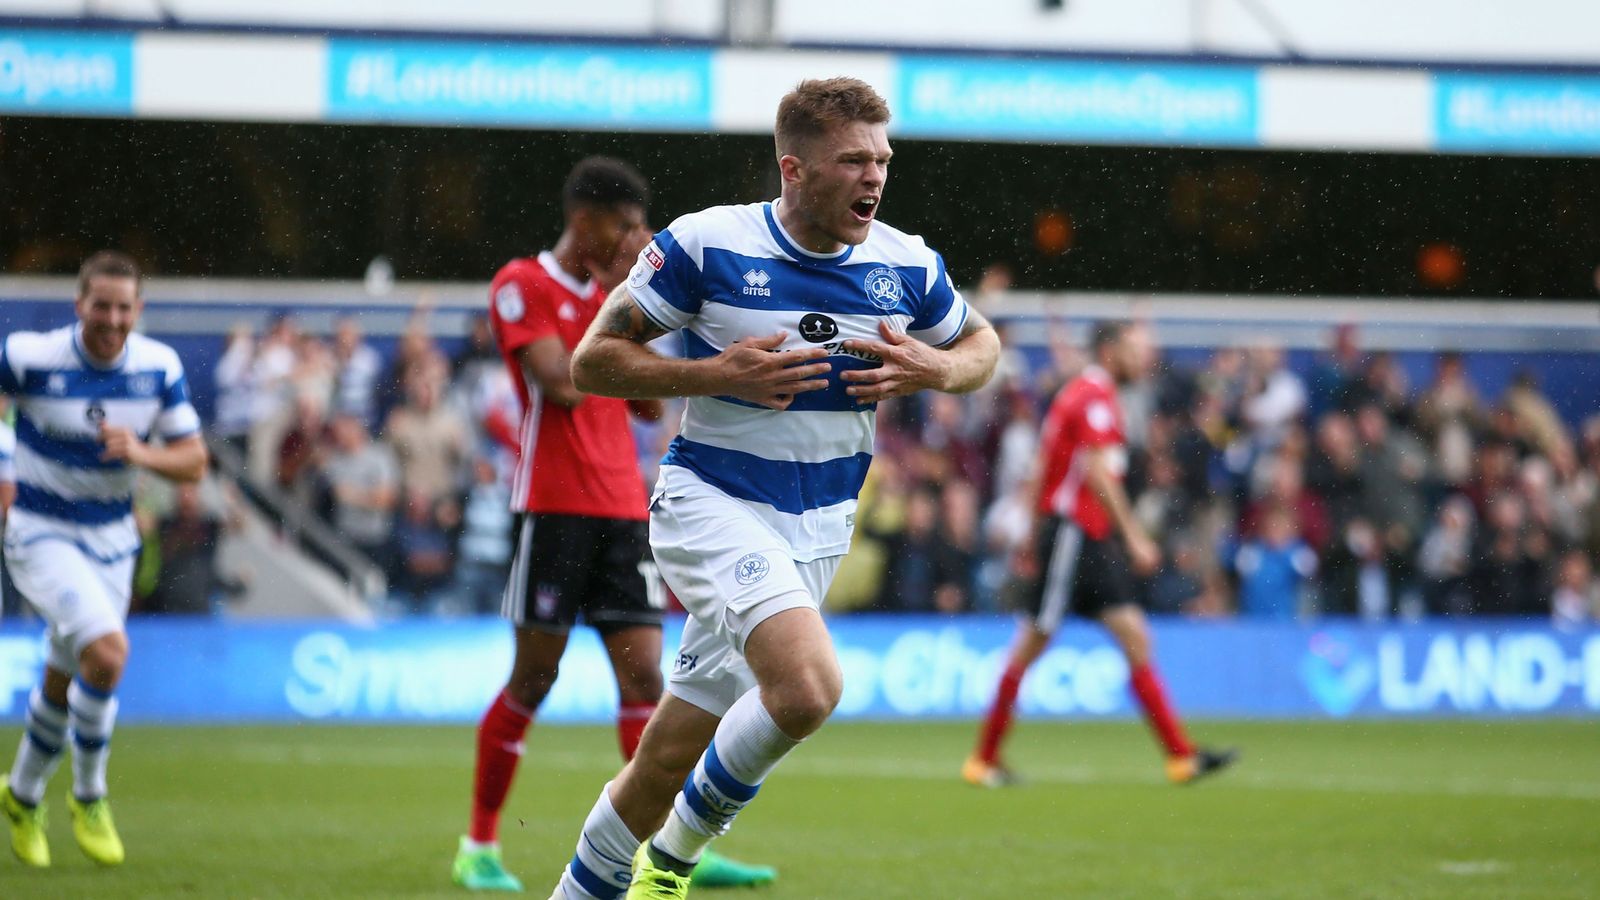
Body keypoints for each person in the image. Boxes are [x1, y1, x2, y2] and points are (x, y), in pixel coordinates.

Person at [545, 77, 1000, 900]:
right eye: (853, 160)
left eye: (883, 160)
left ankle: (586, 888)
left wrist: (936, 368)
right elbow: (591, 361)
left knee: (666, 759)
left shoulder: (903, 262)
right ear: (794, 169)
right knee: (809, 687)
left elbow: (982, 346)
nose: (874, 177)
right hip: (711, 501)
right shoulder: (709, 244)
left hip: (819, 528)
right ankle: (675, 862)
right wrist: (716, 371)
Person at [455, 157, 771, 892]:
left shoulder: (615, 298)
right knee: (535, 676)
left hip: (623, 511)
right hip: (552, 509)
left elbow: (645, 404)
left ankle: (672, 841)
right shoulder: (521, 285)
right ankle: (478, 843)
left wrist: (642, 353)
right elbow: (561, 383)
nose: (635, 238)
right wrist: (628, 345)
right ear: (585, 220)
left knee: (648, 680)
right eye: (626, 225)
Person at [0, 251, 209, 868]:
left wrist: (142, 455)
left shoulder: (157, 366)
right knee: (108, 653)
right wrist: (4, 465)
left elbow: (194, 459)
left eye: (125, 307)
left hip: (113, 540)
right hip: (41, 532)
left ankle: (22, 793)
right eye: (102, 305)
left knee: (66, 676)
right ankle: (90, 794)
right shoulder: (30, 356)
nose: (113, 319)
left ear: (138, 310)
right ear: (79, 305)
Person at [965, 321, 1236, 789]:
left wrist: (1034, 533)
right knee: (1032, 644)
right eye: (1135, 348)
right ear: (1110, 352)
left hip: (1084, 539)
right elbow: (1095, 472)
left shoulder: (1084, 393)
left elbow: (1044, 467)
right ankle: (983, 760)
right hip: (1072, 536)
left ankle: (1181, 757)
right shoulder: (1093, 394)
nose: (1144, 358)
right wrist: (1134, 538)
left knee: (1134, 636)